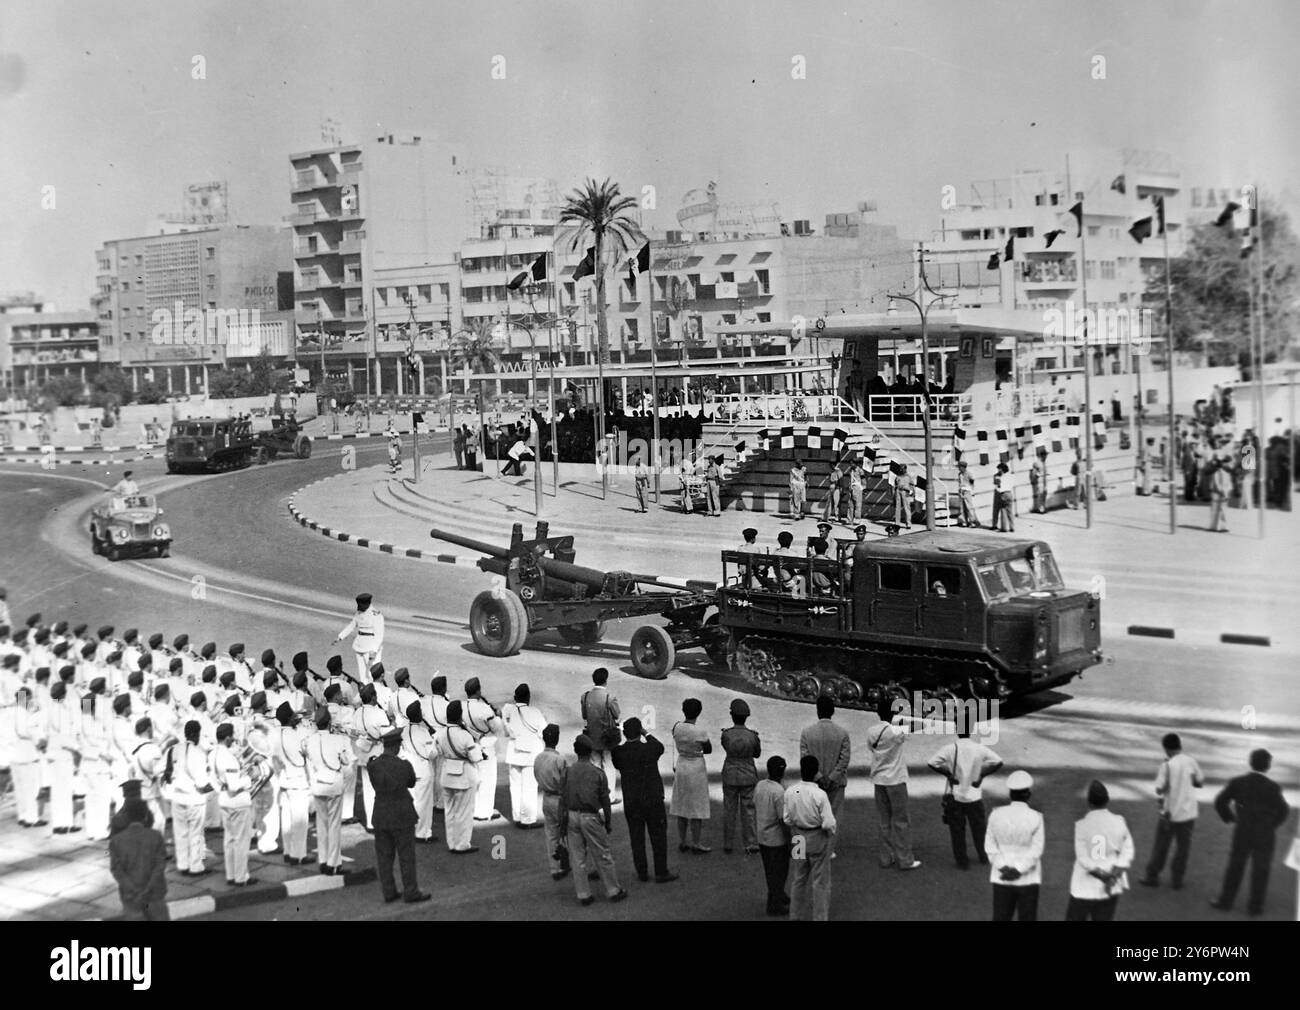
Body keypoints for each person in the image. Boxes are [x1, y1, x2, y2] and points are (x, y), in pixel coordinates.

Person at [1210, 749, 1291, 915]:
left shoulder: (1238, 782)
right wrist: (1272, 825)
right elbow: (1284, 810)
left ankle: (1225, 901)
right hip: (1265, 834)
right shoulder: (1273, 787)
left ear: (1250, 762)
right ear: (1267, 766)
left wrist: (1230, 818)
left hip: (1243, 830)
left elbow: (1220, 801)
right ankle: (1255, 907)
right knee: (1261, 870)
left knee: (1235, 866)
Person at [562, 735, 628, 905]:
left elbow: (563, 798)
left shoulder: (568, 771)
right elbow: (605, 800)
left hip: (572, 815)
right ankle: (613, 890)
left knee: (577, 858)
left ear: (576, 751)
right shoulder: (597, 773)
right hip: (590, 817)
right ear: (590, 751)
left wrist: (563, 823)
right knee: (603, 854)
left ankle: (583, 894)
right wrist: (608, 822)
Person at [611, 717, 677, 883]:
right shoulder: (650, 748)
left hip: (632, 801)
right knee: (658, 836)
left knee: (636, 837)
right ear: (639, 731)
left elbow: (616, 760)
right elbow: (660, 746)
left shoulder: (618, 753)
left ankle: (642, 872)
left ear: (625, 733)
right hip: (652, 798)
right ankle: (661, 871)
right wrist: (646, 733)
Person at [369, 728, 431, 904]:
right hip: (402, 814)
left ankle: (389, 891)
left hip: (381, 813)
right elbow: (411, 782)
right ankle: (410, 891)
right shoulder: (404, 765)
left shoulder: (373, 765)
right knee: (406, 856)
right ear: (396, 746)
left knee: (384, 857)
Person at [928, 725, 1002, 870]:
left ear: (957, 729)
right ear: (971, 729)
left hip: (956, 796)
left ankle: (962, 861)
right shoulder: (979, 748)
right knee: (979, 829)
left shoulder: (950, 748)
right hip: (974, 796)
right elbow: (998, 762)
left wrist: (949, 774)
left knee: (957, 831)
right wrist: (982, 775)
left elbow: (932, 762)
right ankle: (983, 855)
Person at [1137, 732, 1203, 890]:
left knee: (1161, 846)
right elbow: (1199, 782)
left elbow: (1159, 790)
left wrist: (1167, 786)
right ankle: (1177, 879)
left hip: (1169, 814)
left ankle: (1152, 876)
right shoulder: (1191, 761)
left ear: (1166, 748)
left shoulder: (1166, 766)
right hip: (1188, 814)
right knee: (1183, 848)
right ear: (1180, 746)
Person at [1067, 780, 1134, 921]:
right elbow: (1128, 851)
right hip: (1110, 886)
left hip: (1084, 887)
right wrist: (1113, 875)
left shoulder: (1082, 825)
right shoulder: (1119, 821)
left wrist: (1102, 875)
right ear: (1107, 800)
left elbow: (1083, 858)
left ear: (1089, 803)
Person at [866, 699, 920, 871]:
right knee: (901, 821)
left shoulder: (872, 731)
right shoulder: (896, 731)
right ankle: (905, 859)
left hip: (879, 779)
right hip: (896, 779)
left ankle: (885, 857)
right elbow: (915, 727)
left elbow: (871, 748)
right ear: (893, 713)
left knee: (884, 821)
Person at [985, 769, 1045, 921]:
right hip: (1028, 878)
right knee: (1028, 917)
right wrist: (1018, 870)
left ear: (1010, 794)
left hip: (1001, 877)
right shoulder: (1036, 817)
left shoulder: (996, 814)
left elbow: (990, 847)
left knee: (1001, 917)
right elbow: (1036, 850)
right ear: (1028, 794)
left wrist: (1004, 867)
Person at [784, 754, 837, 921]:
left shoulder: (791, 791)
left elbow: (786, 818)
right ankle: (819, 917)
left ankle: (795, 915)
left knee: (798, 878)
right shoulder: (820, 794)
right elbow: (829, 823)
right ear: (816, 773)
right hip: (817, 836)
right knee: (820, 881)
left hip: (798, 837)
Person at [304, 707, 355, 874]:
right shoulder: (338, 740)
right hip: (333, 784)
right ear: (329, 723)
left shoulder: (309, 740)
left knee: (322, 824)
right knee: (334, 825)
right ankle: (334, 863)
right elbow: (347, 761)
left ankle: (323, 861)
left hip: (318, 784)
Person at [212, 722, 257, 887]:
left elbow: (214, 779)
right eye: (233, 736)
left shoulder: (213, 753)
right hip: (237, 802)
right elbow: (234, 785)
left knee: (229, 840)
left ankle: (231, 875)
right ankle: (241, 877)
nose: (234, 739)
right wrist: (249, 778)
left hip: (223, 799)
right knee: (241, 841)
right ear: (228, 737)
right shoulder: (228, 757)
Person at [434, 700, 483, 854]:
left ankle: (452, 843)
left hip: (447, 774)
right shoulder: (464, 735)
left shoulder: (440, 733)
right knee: (464, 812)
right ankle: (462, 844)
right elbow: (475, 757)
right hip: (464, 777)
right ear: (459, 716)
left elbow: (436, 752)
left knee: (450, 812)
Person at [109, 799, 170, 920]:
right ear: (145, 816)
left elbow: (117, 870)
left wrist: (133, 889)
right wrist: (148, 888)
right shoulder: (156, 836)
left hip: (131, 895)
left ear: (127, 817)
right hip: (154, 892)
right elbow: (160, 865)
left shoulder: (116, 840)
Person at [169, 719, 215, 877]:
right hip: (194, 798)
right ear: (196, 734)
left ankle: (182, 864)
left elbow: (162, 770)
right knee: (195, 833)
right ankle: (195, 866)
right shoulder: (199, 752)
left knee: (180, 832)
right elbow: (202, 782)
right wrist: (214, 785)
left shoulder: (174, 749)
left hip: (177, 797)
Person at [799, 695, 850, 834]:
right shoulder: (842, 733)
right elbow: (844, 759)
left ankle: (817, 846)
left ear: (817, 711)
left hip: (814, 781)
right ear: (833, 711)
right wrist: (832, 777)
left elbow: (805, 757)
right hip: (836, 782)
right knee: (833, 815)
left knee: (815, 814)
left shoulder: (807, 732)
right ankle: (829, 848)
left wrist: (819, 776)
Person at [670, 698, 713, 853]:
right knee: (697, 806)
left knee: (682, 805)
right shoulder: (699, 731)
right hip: (696, 767)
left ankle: (683, 841)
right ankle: (696, 842)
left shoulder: (677, 727)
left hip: (682, 764)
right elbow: (708, 749)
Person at [719, 698, 761, 855]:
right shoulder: (752, 736)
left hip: (730, 773)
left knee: (729, 809)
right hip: (748, 774)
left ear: (732, 715)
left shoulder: (727, 734)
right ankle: (751, 843)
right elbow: (757, 754)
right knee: (749, 809)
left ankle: (728, 843)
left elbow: (725, 747)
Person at [501, 683, 546, 828]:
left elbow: (506, 731)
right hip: (530, 754)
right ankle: (527, 820)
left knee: (515, 786)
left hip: (514, 752)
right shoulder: (535, 712)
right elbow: (543, 731)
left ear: (515, 698)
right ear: (528, 697)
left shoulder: (508, 711)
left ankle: (517, 816)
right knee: (529, 787)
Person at [534, 723, 571, 879]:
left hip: (546, 797)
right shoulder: (560, 759)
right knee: (567, 832)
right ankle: (567, 863)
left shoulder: (538, 758)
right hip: (559, 798)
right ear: (557, 739)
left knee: (551, 834)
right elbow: (567, 781)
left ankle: (555, 868)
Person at [755, 756, 791, 916]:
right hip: (777, 839)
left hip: (762, 835)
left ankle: (778, 895)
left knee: (770, 870)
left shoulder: (760, 785)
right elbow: (784, 821)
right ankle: (774, 903)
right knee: (780, 871)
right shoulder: (779, 792)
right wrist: (792, 843)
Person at [464, 677, 503, 821]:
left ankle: (473, 809)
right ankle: (484, 812)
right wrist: (498, 716)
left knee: (474, 777)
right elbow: (497, 728)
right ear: (478, 690)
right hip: (486, 745)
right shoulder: (484, 708)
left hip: (471, 744)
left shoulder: (462, 706)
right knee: (487, 779)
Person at [580, 668, 621, 803]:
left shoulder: (585, 696)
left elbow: (584, 715)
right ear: (606, 680)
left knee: (595, 765)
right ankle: (609, 796)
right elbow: (616, 714)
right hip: (607, 737)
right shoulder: (609, 697)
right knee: (609, 764)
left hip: (592, 736)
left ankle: (596, 794)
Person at [333, 593, 384, 682]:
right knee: (362, 675)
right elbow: (352, 625)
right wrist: (340, 637)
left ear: (367, 604)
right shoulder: (359, 612)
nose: (359, 608)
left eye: (361, 605)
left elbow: (379, 635)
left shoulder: (376, 615)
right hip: (359, 644)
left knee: (372, 674)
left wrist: (374, 650)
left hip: (370, 647)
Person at [1208, 458, 1231, 532]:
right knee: (1224, 510)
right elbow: (1230, 485)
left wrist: (1221, 492)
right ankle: (1224, 526)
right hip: (1225, 493)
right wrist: (1226, 493)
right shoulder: (1227, 474)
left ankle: (1215, 526)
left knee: (1215, 510)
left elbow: (1216, 485)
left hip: (1217, 494)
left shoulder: (1215, 474)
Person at [956, 461, 980, 527]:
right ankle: (964, 521)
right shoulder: (960, 474)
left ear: (963, 467)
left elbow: (972, 483)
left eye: (959, 467)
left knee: (969, 507)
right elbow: (959, 482)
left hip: (967, 491)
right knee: (962, 507)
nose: (958, 468)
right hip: (961, 491)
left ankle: (974, 521)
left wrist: (972, 491)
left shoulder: (969, 474)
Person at [992, 463, 1014, 532]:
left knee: (1002, 510)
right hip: (1009, 493)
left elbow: (997, 486)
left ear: (1001, 469)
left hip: (1001, 493)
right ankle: (1011, 527)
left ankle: (1003, 527)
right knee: (1009, 511)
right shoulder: (1009, 475)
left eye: (999, 469)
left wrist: (999, 487)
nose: (998, 470)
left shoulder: (998, 476)